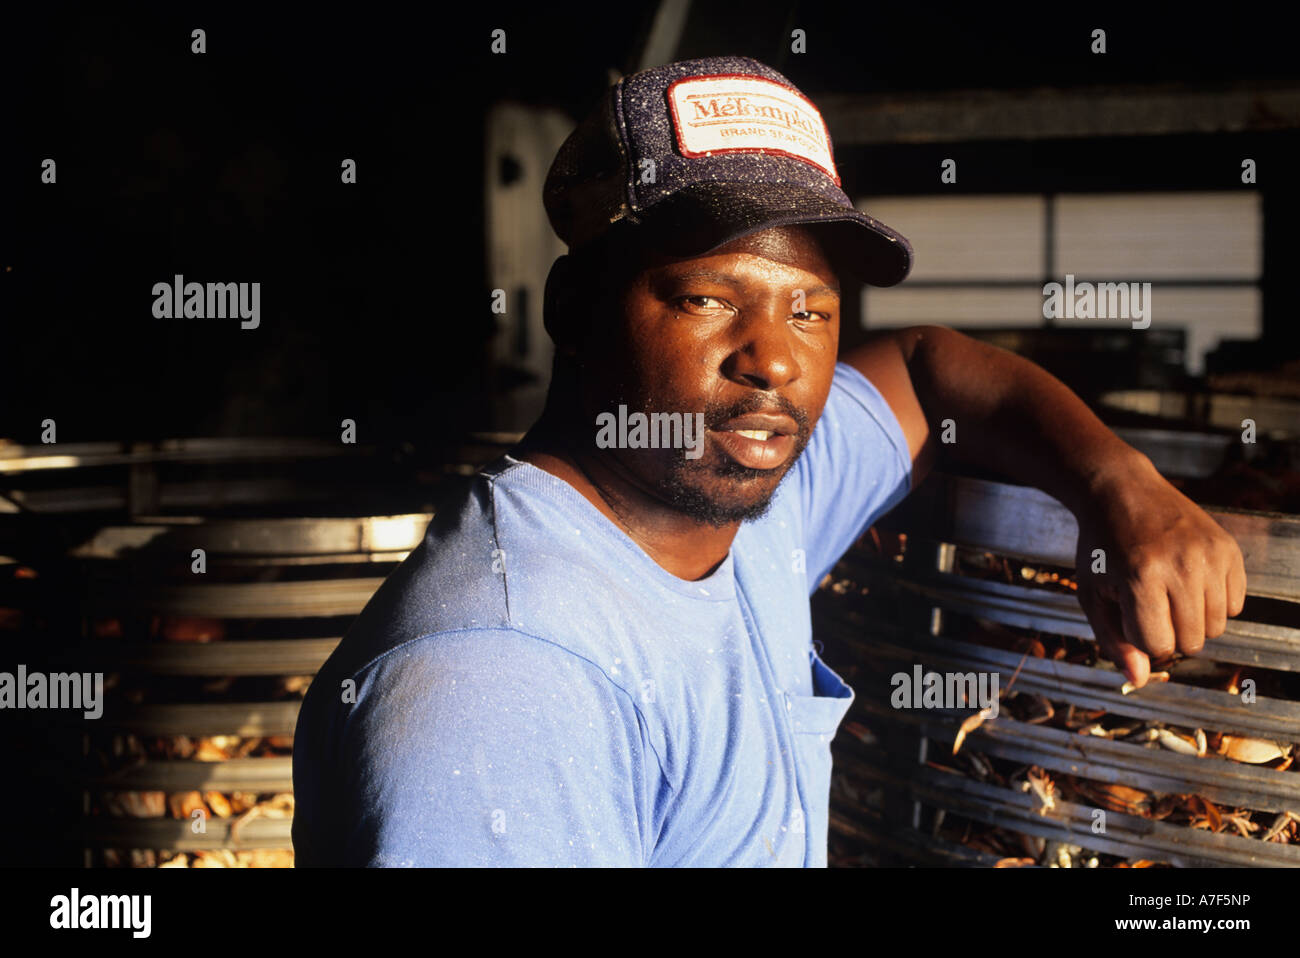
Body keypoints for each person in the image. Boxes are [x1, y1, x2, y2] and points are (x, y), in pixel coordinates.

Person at [291, 55, 1246, 866]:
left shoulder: (742, 510)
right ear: (574, 312)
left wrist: (1120, 483)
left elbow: (928, 370)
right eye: (707, 297)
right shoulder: (508, 676)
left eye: (811, 309)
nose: (776, 359)